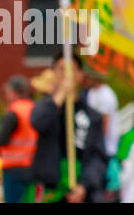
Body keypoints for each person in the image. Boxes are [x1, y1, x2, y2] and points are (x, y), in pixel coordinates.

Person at [29, 53, 108, 203]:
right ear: (53, 73)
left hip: (81, 192)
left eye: (70, 69)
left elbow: (98, 156)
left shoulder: (92, 116)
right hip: (51, 190)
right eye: (61, 69)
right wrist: (61, 94)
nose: (66, 74)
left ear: (80, 74)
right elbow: (38, 122)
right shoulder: (46, 108)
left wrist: (85, 185)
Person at [0, 76, 38, 203]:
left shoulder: (13, 112)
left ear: (13, 92)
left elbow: (2, 139)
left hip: (13, 168)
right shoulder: (35, 108)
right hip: (33, 166)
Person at [81, 71, 120, 200]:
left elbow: (104, 123)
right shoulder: (91, 92)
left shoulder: (106, 95)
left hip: (105, 149)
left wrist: (97, 144)